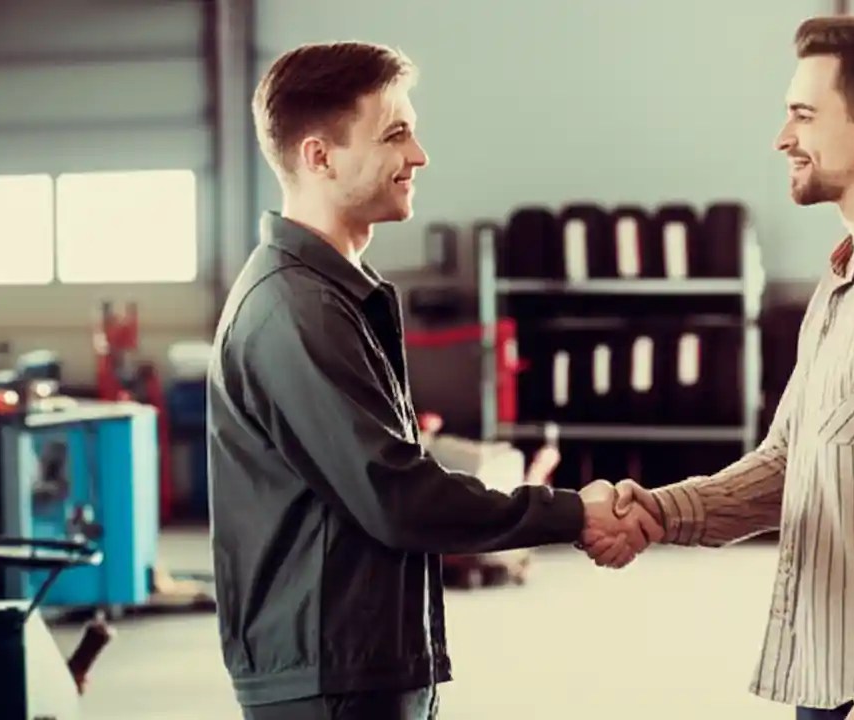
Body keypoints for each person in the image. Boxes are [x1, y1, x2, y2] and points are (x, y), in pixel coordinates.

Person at [588, 16, 854, 720]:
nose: (783, 138)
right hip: (839, 683)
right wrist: (664, 513)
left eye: (803, 115)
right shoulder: (848, 279)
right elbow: (794, 462)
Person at [206, 41, 661, 720]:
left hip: (353, 662)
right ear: (318, 156)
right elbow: (400, 498)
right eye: (394, 134)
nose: (419, 155)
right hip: (330, 678)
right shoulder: (295, 310)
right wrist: (572, 512)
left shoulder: (327, 295)